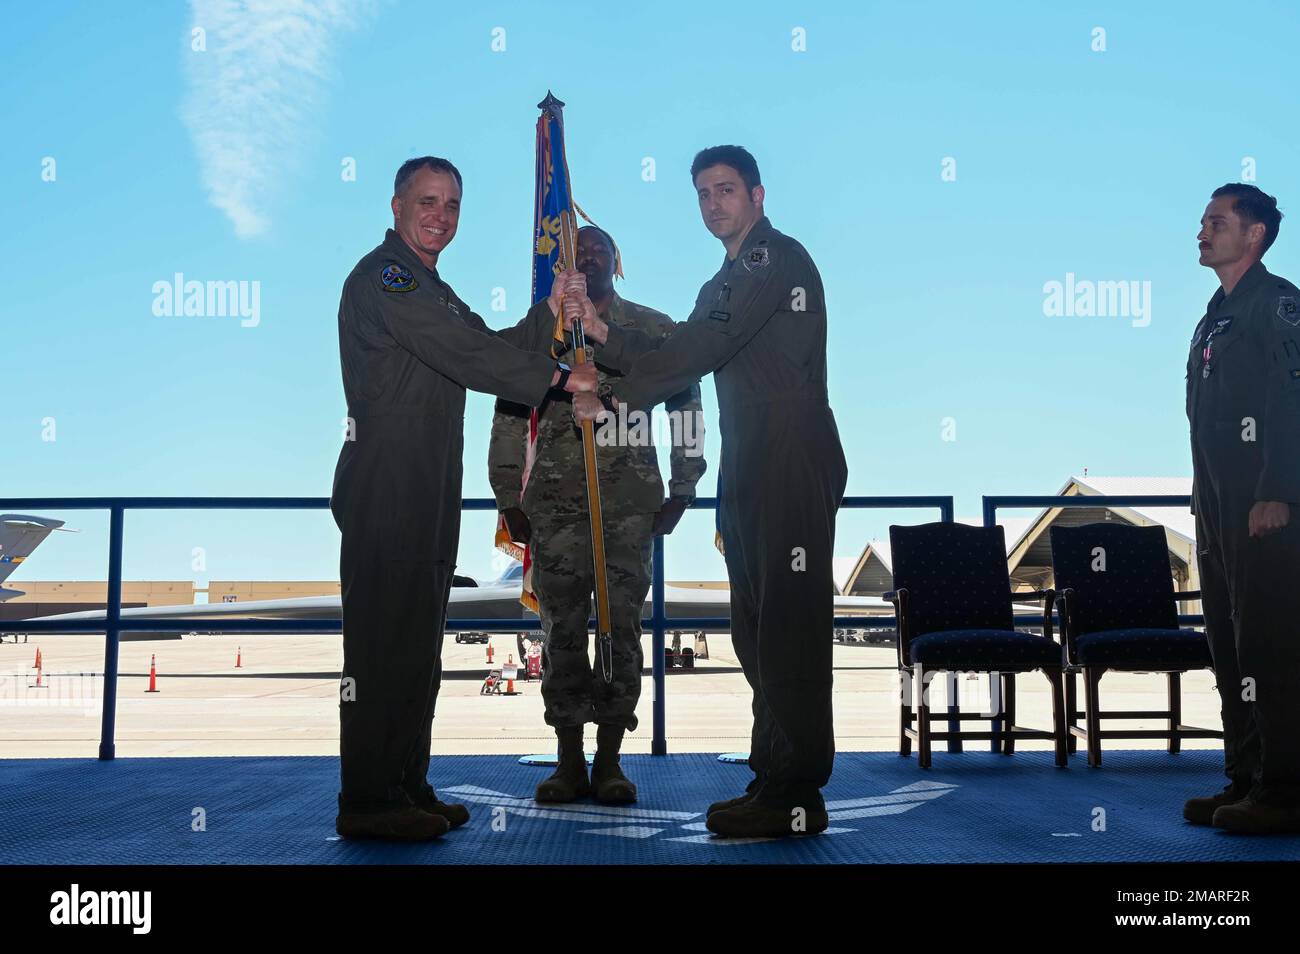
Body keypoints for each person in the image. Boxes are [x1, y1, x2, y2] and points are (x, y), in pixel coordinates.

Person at [572, 146, 848, 838]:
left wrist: (606, 393)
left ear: (757, 194)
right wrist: (603, 332)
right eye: (702, 193)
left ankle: (794, 794)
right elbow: (686, 345)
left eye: (726, 189)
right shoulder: (722, 280)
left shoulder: (769, 261)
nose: (714, 203)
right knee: (755, 631)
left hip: (788, 459)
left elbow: (692, 355)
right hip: (751, 464)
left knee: (788, 629)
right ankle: (774, 777)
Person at [330, 156, 595, 840]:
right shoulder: (386, 279)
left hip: (429, 491)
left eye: (452, 204)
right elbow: (470, 356)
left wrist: (548, 311)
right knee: (382, 649)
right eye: (427, 201)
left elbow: (487, 345)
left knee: (417, 649)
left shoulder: (432, 290)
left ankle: (404, 783)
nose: (440, 215)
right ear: (395, 206)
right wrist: (562, 379)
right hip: (387, 488)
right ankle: (366, 800)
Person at [488, 225, 707, 805]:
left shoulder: (652, 329)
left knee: (622, 632)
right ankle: (567, 762)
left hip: (629, 506)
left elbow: (686, 398)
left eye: (599, 249)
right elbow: (509, 406)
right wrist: (508, 494)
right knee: (561, 632)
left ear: (617, 260)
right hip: (554, 511)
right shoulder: (544, 328)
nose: (587, 256)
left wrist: (684, 485)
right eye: (577, 251)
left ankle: (609, 761)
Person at [1183, 183, 1300, 834]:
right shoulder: (1215, 315)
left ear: (1254, 235)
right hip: (1219, 511)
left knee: (1270, 646)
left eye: (1217, 222)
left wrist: (1277, 490)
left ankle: (1284, 789)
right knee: (1228, 645)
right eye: (1202, 221)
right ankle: (1245, 779)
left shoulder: (1277, 305)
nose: (1202, 231)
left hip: (1265, 508)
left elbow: (1292, 397)